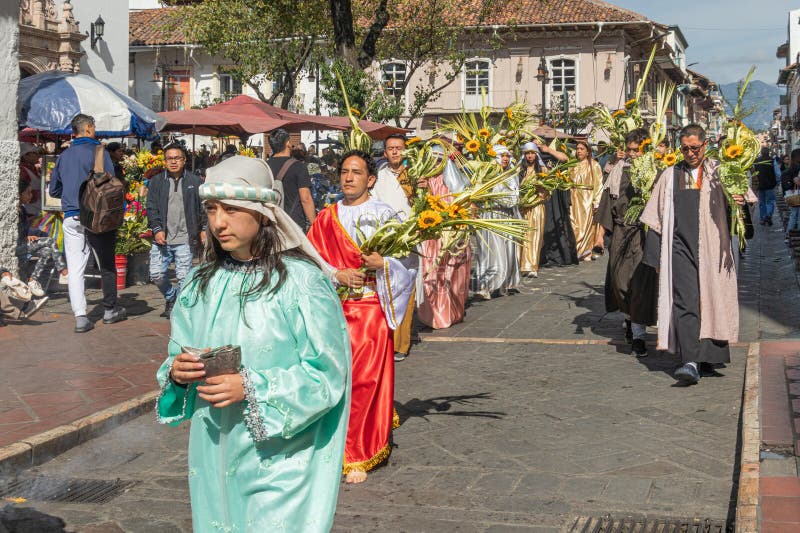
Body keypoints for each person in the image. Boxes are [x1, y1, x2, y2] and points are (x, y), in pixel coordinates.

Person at [157, 156, 350, 532]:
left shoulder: (302, 284)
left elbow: (328, 375)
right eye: (212, 209)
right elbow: (175, 357)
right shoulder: (200, 283)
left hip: (279, 460)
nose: (218, 222)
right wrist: (178, 374)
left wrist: (251, 386)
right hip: (214, 452)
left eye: (231, 209)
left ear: (263, 213)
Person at [307, 150, 416, 484]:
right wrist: (336, 274)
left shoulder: (384, 215)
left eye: (356, 172)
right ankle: (329, 443)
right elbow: (308, 261)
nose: (348, 178)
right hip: (333, 310)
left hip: (369, 310)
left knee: (365, 381)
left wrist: (382, 264)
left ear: (371, 180)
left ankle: (359, 451)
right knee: (333, 379)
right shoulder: (327, 217)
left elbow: (408, 263)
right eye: (344, 171)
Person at [641, 124, 750, 385]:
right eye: (685, 148)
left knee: (712, 300)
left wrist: (739, 200)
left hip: (713, 249)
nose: (690, 153)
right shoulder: (669, 175)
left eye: (695, 148)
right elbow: (655, 216)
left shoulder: (720, 171)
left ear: (705, 145)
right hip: (679, 247)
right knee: (685, 300)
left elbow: (743, 202)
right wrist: (655, 257)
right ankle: (689, 361)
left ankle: (709, 357)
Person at [48, 113, 126, 333]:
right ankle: (110, 310)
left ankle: (81, 317)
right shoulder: (99, 152)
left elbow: (54, 189)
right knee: (106, 263)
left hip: (71, 215)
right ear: (89, 128)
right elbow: (111, 185)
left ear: (74, 132)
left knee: (75, 268)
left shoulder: (64, 156)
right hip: (97, 216)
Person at [596, 129, 657, 356]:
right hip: (621, 231)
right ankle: (629, 318)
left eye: (637, 150)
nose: (633, 154)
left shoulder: (655, 172)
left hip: (644, 233)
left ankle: (639, 334)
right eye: (630, 150)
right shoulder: (616, 173)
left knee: (639, 284)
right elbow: (606, 204)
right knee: (620, 282)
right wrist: (600, 236)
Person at [146, 143, 206, 318]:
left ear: (184, 160)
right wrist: (157, 229)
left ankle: (178, 308)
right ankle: (171, 297)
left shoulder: (195, 182)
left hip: (185, 238)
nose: (173, 162)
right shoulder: (157, 182)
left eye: (177, 158)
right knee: (156, 274)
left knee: (183, 277)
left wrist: (203, 229)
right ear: (165, 161)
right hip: (162, 239)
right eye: (169, 158)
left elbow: (203, 208)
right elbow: (151, 207)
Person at [372, 133, 416, 361]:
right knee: (388, 290)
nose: (395, 152)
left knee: (406, 288)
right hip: (387, 240)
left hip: (410, 240)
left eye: (399, 148)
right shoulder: (379, 177)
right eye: (391, 148)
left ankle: (401, 344)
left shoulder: (417, 175)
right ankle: (386, 339)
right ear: (385, 152)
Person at [417, 148, 471, 329]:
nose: (435, 163)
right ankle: (434, 313)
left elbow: (465, 204)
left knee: (452, 276)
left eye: (439, 159)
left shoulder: (454, 181)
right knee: (432, 274)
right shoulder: (424, 180)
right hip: (432, 236)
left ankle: (450, 311)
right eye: (432, 159)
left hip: (453, 234)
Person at [472, 144, 521, 299]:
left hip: (506, 216)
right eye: (502, 155)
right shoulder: (486, 174)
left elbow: (514, 197)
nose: (505, 158)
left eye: (507, 155)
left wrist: (504, 199)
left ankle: (503, 283)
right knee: (489, 251)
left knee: (507, 251)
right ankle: (485, 286)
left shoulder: (512, 175)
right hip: (490, 216)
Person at [16, 180, 67, 297]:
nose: (31, 195)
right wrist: (26, 236)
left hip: (24, 244)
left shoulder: (22, 209)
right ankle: (63, 271)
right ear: (19, 194)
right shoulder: (15, 211)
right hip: (17, 246)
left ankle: (32, 280)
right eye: (28, 193)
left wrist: (38, 233)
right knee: (50, 241)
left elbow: (26, 229)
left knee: (48, 250)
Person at [267, 129, 316, 230]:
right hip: (293, 224)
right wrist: (314, 224)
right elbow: (305, 198)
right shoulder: (298, 167)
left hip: (270, 222)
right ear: (288, 143)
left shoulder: (265, 166)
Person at [569, 140, 603, 261]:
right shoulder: (572, 165)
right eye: (577, 149)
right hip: (574, 197)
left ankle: (585, 252)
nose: (578, 151)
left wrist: (596, 201)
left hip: (587, 198)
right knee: (574, 225)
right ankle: (575, 250)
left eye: (581, 149)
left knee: (586, 226)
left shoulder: (594, 165)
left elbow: (598, 184)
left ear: (588, 151)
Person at [518, 142, 547, 278]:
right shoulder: (519, 170)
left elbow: (548, 189)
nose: (530, 156)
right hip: (522, 208)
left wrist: (539, 195)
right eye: (527, 153)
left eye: (532, 153)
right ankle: (520, 264)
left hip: (536, 207)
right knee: (521, 236)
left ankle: (532, 266)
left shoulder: (542, 170)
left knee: (534, 236)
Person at [754, 146, 777, 226]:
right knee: (770, 201)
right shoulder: (772, 160)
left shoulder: (756, 161)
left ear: (761, 153)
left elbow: (754, 174)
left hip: (760, 185)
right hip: (770, 185)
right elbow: (777, 173)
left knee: (762, 202)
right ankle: (769, 215)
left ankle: (763, 218)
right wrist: (777, 182)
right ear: (768, 152)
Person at [19, 142, 42, 217]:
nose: (38, 155)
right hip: (30, 212)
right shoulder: (23, 170)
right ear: (25, 156)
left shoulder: (33, 169)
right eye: (35, 153)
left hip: (37, 210)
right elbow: (22, 193)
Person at [782, 149, 800, 237]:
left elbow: (785, 185)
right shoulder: (797, 168)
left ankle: (788, 235)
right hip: (797, 195)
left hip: (792, 196)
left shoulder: (788, 170)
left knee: (793, 215)